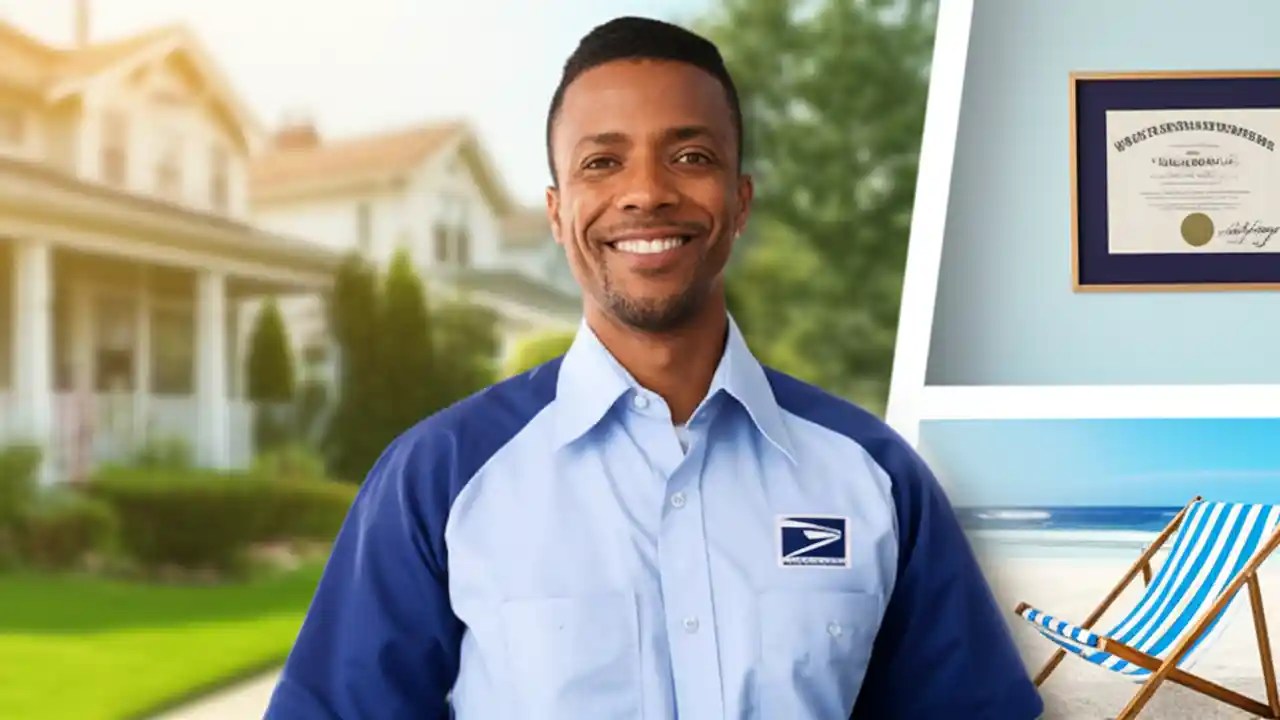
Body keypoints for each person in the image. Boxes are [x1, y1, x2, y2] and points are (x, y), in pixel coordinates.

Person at [264, 15, 1043, 720]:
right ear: (557, 212)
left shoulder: (874, 475)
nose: (646, 192)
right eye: (602, 162)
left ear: (740, 201)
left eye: (691, 156)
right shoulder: (437, 479)